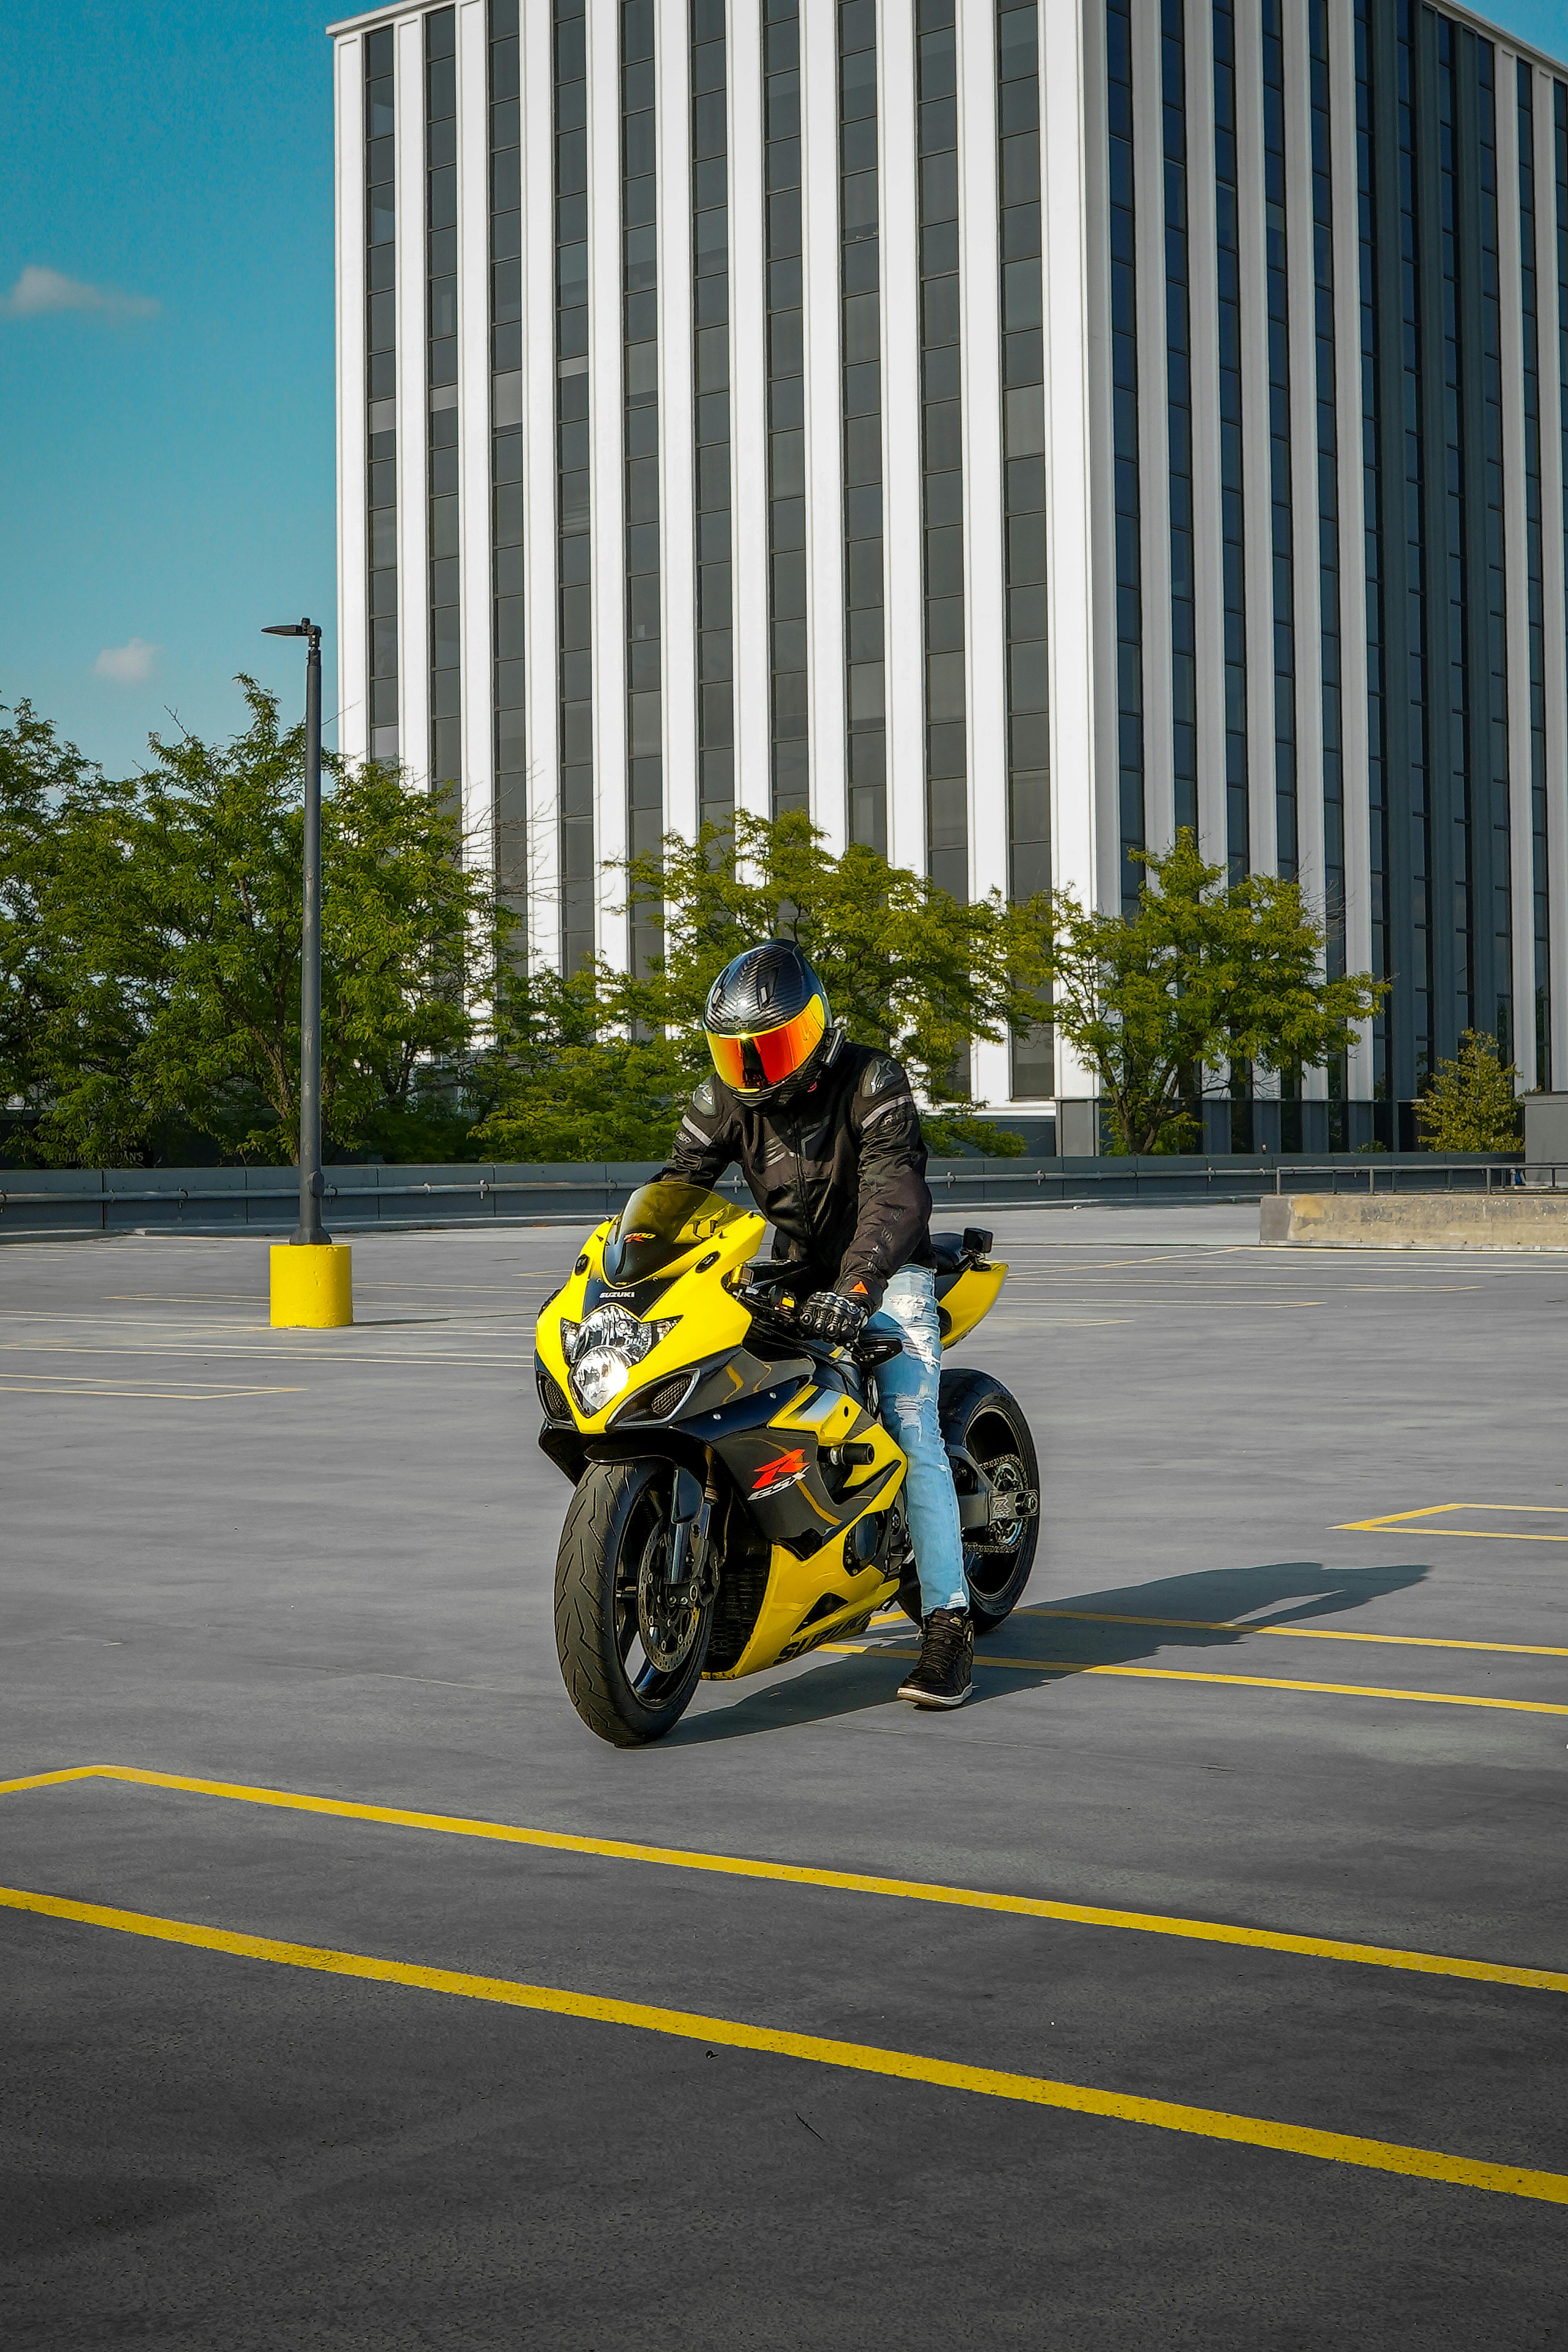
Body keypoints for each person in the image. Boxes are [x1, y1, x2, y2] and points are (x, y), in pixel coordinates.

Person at [659, 938, 973, 1709]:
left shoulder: (871, 1081)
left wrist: (859, 1286)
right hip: (796, 1265)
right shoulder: (723, 1099)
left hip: (887, 1267)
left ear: (816, 1024)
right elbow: (674, 1192)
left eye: (774, 1046)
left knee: (910, 1421)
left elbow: (894, 1197)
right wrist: (634, 1273)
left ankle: (946, 1624)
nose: (758, 1070)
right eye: (741, 1054)